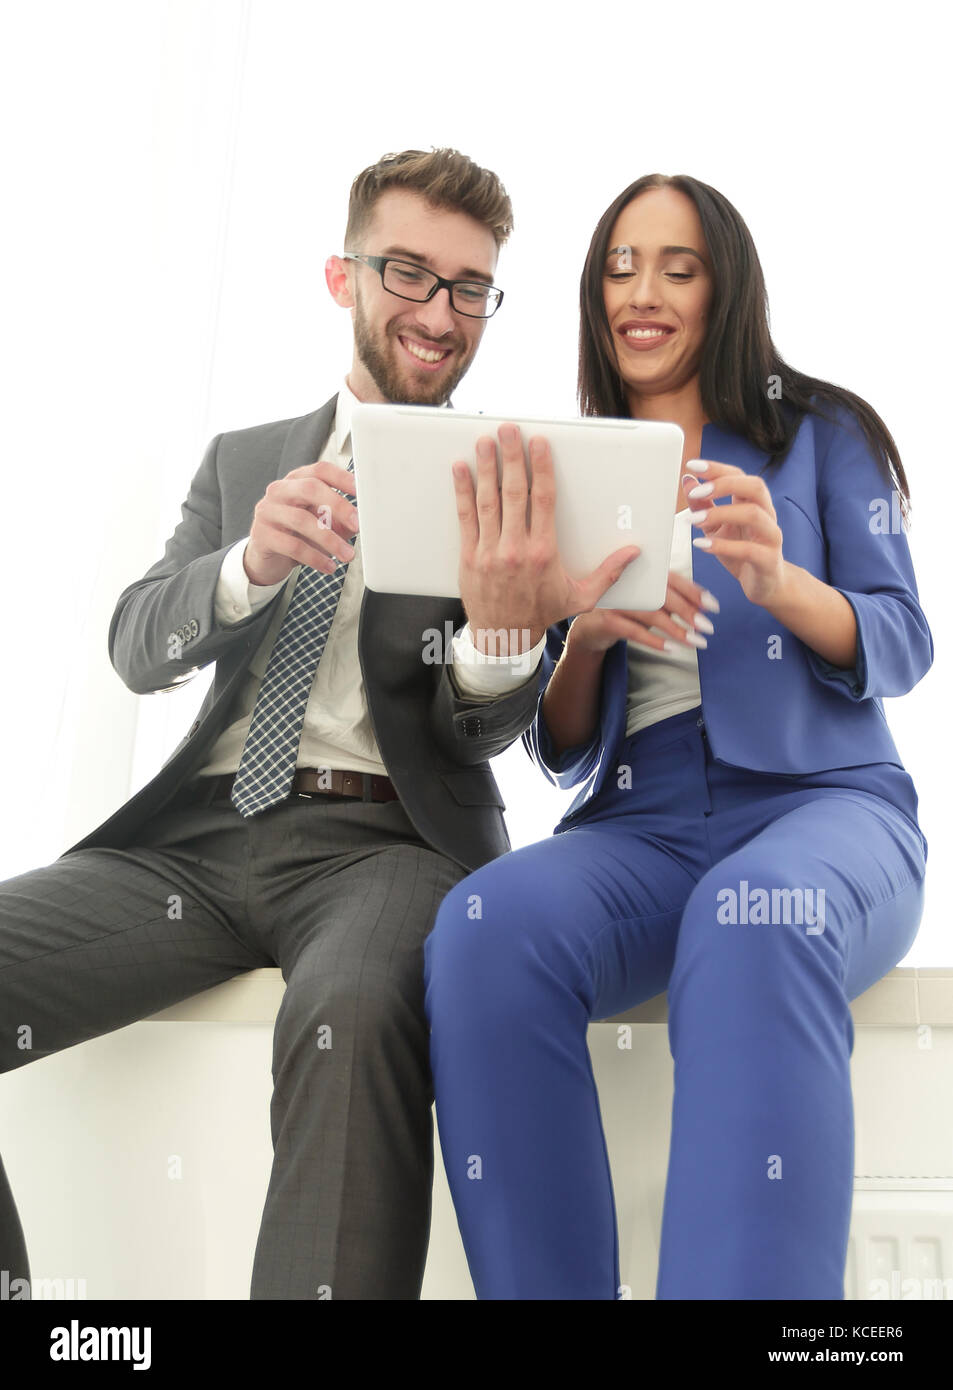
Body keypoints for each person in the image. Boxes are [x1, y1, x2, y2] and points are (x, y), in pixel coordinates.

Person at [0, 147, 637, 1302]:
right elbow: (136, 643)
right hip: (194, 846)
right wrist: (244, 564)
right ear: (342, 278)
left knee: (349, 1013)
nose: (440, 313)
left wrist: (500, 640)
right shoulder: (245, 460)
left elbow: (477, 736)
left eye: (470, 287)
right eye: (408, 272)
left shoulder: (505, 478)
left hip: (383, 849)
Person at [422, 172, 933, 1300]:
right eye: (617, 266)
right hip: (643, 821)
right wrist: (588, 639)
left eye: (674, 267)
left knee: (749, 922)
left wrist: (783, 582)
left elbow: (902, 641)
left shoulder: (820, 436)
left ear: (723, 289)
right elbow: (556, 749)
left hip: (825, 804)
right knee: (478, 927)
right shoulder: (568, 462)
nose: (639, 292)